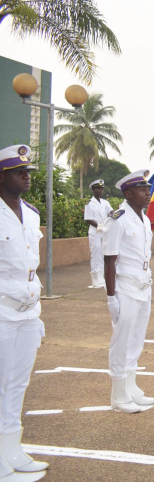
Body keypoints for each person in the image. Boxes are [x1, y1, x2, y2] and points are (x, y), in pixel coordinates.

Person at [0, 144, 49, 481]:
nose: (26, 176)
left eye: (28, 171)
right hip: (2, 310)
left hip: (30, 311)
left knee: (18, 384)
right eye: (19, 172)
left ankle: (11, 449)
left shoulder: (31, 213)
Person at [103, 170, 154, 414]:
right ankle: (118, 393)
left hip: (143, 286)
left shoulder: (144, 219)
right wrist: (111, 298)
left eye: (148, 188)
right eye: (142, 189)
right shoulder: (118, 218)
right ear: (127, 193)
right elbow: (109, 261)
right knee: (121, 341)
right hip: (125, 287)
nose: (148, 192)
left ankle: (131, 386)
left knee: (136, 339)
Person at [84, 179, 113, 289]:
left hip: (104, 232)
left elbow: (111, 212)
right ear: (93, 190)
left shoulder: (105, 202)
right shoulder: (90, 204)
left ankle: (102, 278)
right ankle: (96, 280)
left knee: (103, 254)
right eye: (98, 189)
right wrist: (102, 227)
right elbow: (88, 219)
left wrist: (117, 214)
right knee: (96, 254)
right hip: (95, 232)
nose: (100, 191)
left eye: (101, 189)